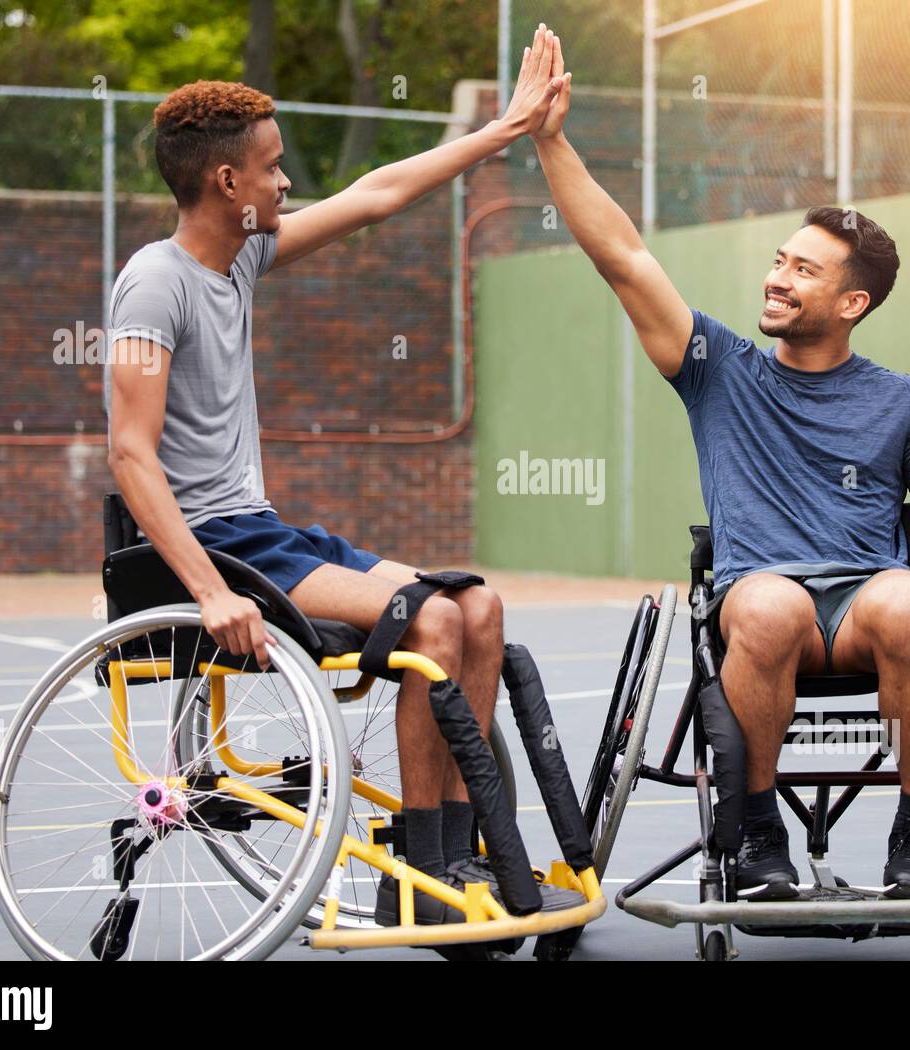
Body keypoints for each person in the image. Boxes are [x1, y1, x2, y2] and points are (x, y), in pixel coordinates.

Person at [529, 35, 910, 899]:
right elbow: (623, 257)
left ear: (852, 303)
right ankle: (758, 832)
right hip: (761, 598)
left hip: (865, 605)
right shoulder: (716, 367)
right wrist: (551, 140)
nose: (777, 279)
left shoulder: (903, 402)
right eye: (779, 260)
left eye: (802, 271)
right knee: (768, 606)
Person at [105, 25, 578, 925]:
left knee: (477, 606)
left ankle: (451, 858)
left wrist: (507, 129)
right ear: (226, 182)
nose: (287, 182)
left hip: (265, 531)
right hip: (218, 548)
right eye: (275, 167)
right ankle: (425, 877)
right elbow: (131, 455)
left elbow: (376, 196)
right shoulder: (152, 284)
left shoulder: (240, 255)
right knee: (430, 619)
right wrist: (209, 594)